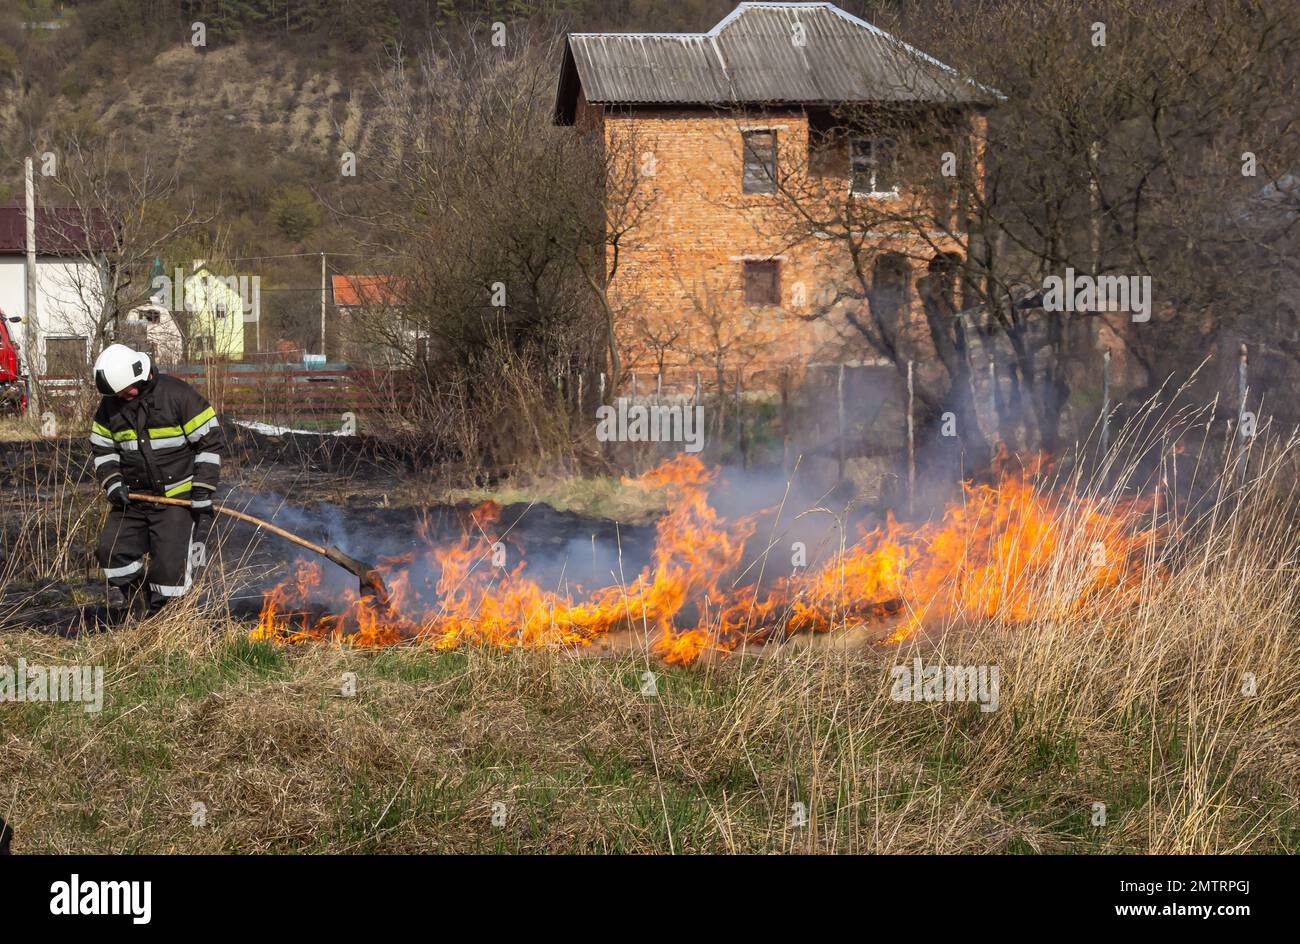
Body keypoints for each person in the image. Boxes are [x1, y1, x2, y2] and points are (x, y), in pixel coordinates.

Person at [89, 344, 225, 614]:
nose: (120, 397)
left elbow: (210, 444)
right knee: (111, 553)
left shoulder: (178, 396)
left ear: (141, 377)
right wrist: (113, 483)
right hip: (133, 498)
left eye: (123, 391)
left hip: (177, 499)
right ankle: (139, 605)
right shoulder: (110, 408)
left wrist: (202, 492)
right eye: (115, 394)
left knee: (169, 570)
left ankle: (165, 620)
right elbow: (103, 451)